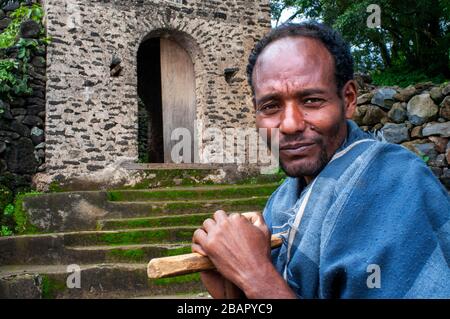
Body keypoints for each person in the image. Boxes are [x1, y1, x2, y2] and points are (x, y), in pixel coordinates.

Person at [191, 22, 450, 299]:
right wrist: (234, 292)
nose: (289, 125)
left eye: (312, 100)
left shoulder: (396, 183)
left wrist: (255, 275)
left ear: (348, 100)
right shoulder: (281, 204)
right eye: (270, 106)